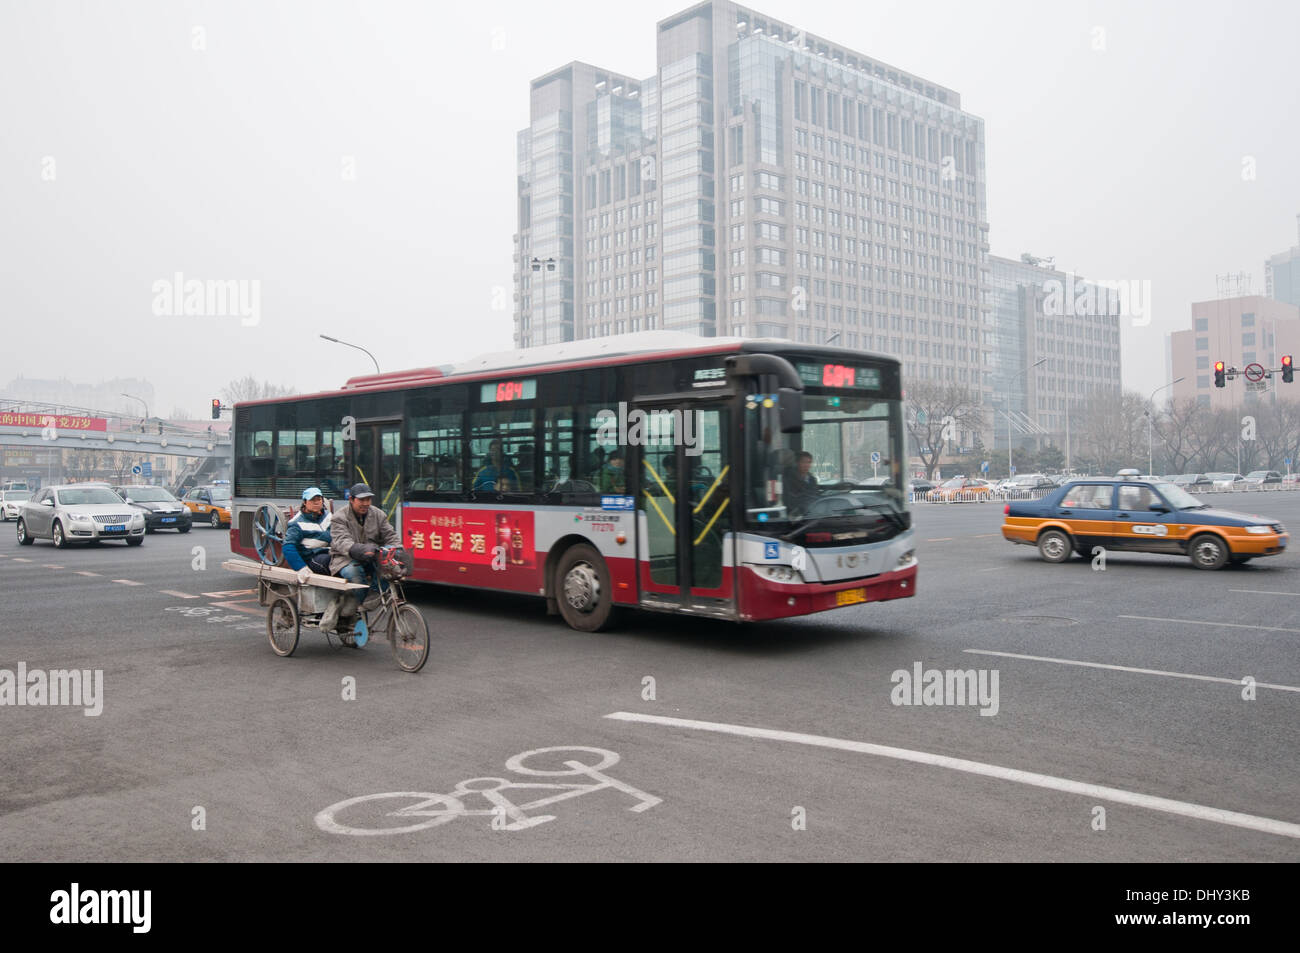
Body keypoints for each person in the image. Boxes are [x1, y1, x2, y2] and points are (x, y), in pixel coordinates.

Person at [321, 482, 400, 634]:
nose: (365, 503)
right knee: (354, 574)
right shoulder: (339, 517)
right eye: (361, 500)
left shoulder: (378, 514)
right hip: (345, 558)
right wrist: (359, 549)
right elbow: (341, 541)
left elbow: (391, 536)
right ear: (351, 499)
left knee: (391, 570)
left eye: (368, 500)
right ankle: (351, 607)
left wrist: (396, 549)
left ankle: (370, 597)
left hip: (371, 557)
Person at [283, 487, 332, 574]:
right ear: (305, 502)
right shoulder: (296, 523)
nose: (316, 502)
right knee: (331, 563)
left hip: (330, 552)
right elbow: (288, 547)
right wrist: (301, 567)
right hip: (311, 558)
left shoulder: (329, 516)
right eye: (312, 500)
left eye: (319, 499)